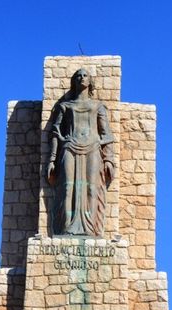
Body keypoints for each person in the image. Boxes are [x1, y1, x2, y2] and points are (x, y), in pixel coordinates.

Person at [46, 67, 116, 237]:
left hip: (92, 147)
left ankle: (90, 228)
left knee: (92, 189)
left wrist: (108, 159)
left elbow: (106, 134)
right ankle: (66, 227)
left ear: (90, 81)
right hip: (69, 147)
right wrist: (52, 159)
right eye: (78, 76)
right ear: (73, 81)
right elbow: (55, 132)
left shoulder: (98, 107)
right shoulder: (64, 106)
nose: (81, 78)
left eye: (85, 75)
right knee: (67, 188)